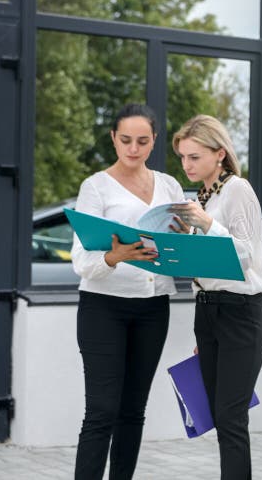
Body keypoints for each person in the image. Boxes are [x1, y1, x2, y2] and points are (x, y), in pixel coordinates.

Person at [71, 103, 186, 480]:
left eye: (141, 141)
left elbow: (185, 246)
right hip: (103, 308)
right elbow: (80, 262)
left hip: (153, 308)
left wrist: (183, 241)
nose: (132, 149)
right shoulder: (96, 187)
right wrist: (114, 256)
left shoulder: (169, 185)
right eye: (125, 140)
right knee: (102, 411)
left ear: (154, 141)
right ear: (113, 139)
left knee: (133, 410)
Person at [170, 114, 262, 480]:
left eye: (194, 156)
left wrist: (207, 224)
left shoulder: (237, 190)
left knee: (230, 417)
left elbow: (245, 254)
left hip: (241, 313)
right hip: (209, 313)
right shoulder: (203, 196)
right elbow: (207, 265)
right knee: (218, 414)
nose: (186, 164)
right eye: (182, 157)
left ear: (220, 153)